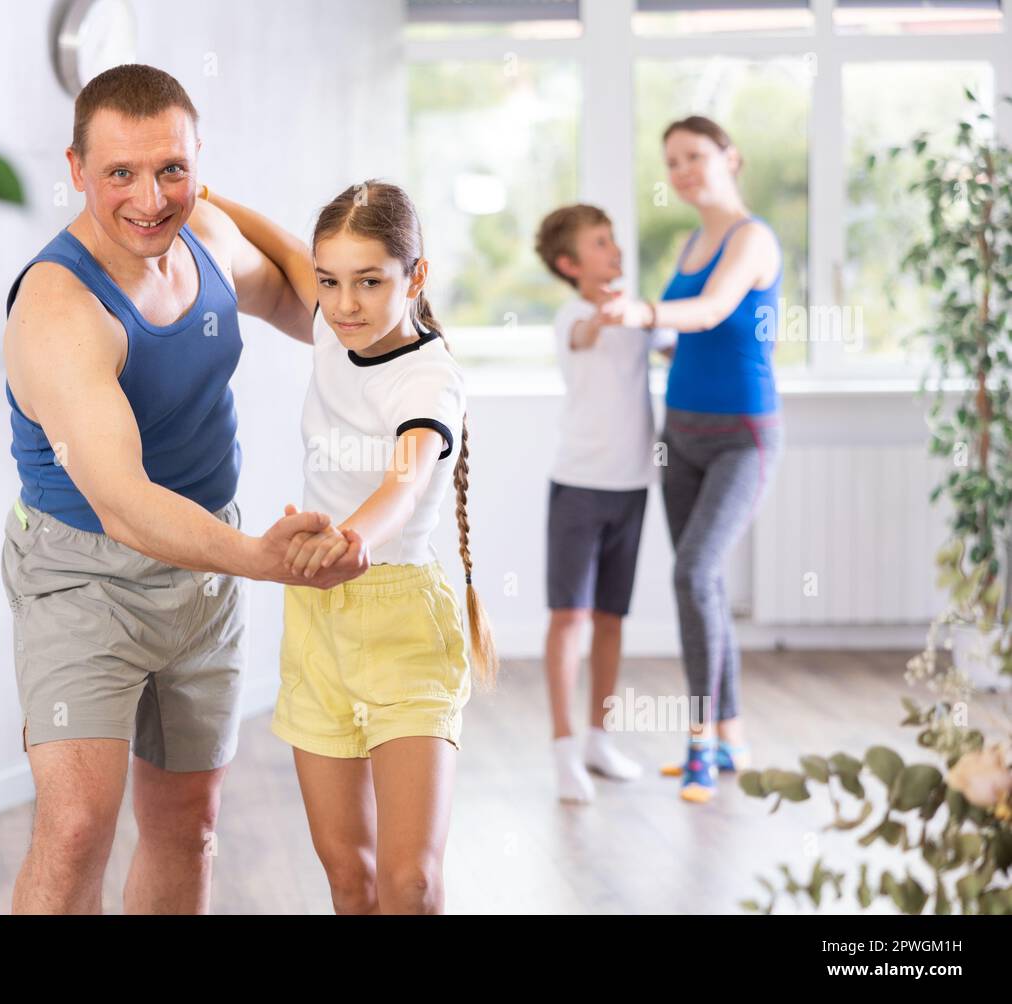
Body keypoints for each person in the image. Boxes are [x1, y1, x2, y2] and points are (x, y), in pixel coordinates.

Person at [0, 63, 369, 914]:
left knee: (189, 827)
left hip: (205, 568)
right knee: (77, 829)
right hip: (82, 577)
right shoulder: (59, 310)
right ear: (76, 169)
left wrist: (409, 352)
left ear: (202, 165)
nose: (149, 198)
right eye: (120, 173)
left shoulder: (204, 234)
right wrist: (261, 560)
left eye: (172, 168)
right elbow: (123, 504)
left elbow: (320, 308)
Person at [204, 179, 498, 914]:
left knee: (411, 883)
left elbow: (405, 477)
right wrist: (202, 196)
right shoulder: (338, 325)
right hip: (316, 624)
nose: (344, 303)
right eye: (330, 281)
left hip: (404, 622)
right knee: (347, 876)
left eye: (370, 281)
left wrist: (349, 538)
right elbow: (280, 245)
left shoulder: (429, 378)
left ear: (415, 276)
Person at [599, 115, 784, 804]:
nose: (682, 171)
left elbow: (709, 312)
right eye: (671, 161)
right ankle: (731, 734)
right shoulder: (688, 242)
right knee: (698, 585)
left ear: (730, 157)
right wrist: (628, 334)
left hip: (744, 435)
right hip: (681, 435)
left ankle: (700, 740)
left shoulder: (752, 238)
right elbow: (690, 341)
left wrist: (646, 313)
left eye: (695, 156)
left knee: (695, 571)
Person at [533, 203, 676, 803]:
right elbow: (588, 332)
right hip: (579, 486)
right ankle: (564, 749)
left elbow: (673, 345)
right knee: (571, 618)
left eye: (614, 239)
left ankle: (599, 737)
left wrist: (660, 323)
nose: (614, 250)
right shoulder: (574, 316)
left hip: (633, 486)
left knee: (613, 619)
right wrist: (614, 314)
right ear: (570, 263)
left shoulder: (638, 314)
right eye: (599, 242)